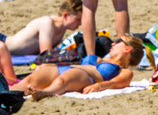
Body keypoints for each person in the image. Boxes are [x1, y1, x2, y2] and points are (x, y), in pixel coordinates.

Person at [14, 34, 144, 100]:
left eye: (118, 41)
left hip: (85, 76)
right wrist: (51, 64)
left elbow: (115, 83)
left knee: (62, 81)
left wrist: (98, 86)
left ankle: (44, 93)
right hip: (68, 69)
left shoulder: (125, 71)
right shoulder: (102, 58)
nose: (113, 43)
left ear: (128, 49)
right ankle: (7, 92)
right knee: (28, 81)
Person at [0, 0, 84, 85]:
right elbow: (45, 54)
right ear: (65, 15)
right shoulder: (47, 23)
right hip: (4, 42)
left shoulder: (62, 28)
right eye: (77, 19)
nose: (80, 23)